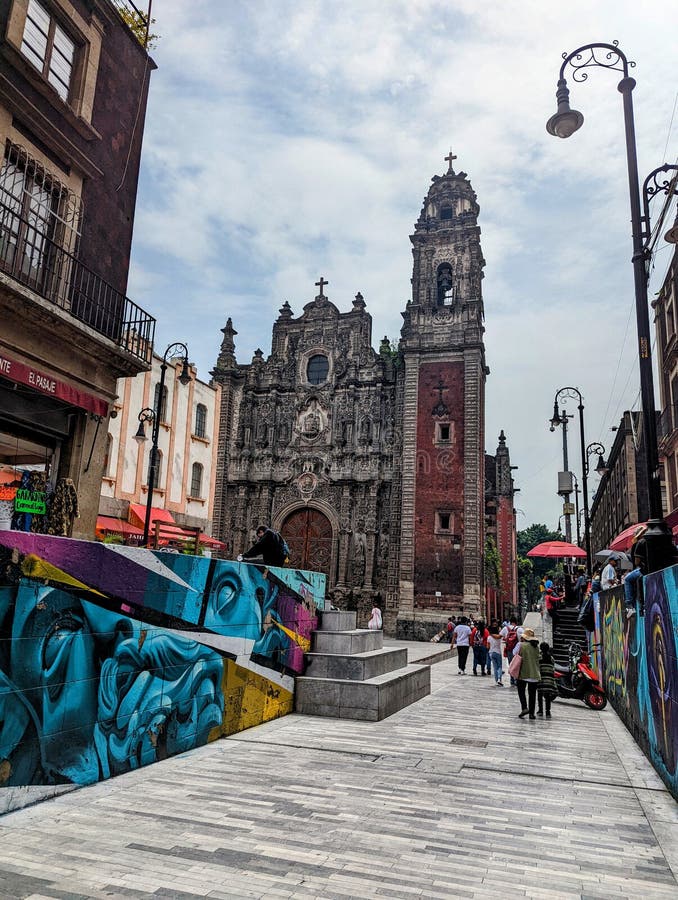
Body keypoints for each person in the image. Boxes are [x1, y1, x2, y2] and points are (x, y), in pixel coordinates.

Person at [513, 627, 541, 719]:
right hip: (534, 673)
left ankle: (524, 707)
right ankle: (532, 713)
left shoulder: (521, 645)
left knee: (521, 691)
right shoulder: (536, 647)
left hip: (523, 672)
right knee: (532, 694)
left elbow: (514, 653)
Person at [624, 526, 648, 619]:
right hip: (653, 569)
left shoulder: (639, 543)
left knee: (627, 579)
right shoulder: (650, 540)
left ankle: (630, 606)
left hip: (643, 570)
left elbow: (636, 562)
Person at [537, 642, 557, 718]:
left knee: (540, 695)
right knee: (547, 697)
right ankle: (548, 712)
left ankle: (540, 711)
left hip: (541, 679)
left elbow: (538, 668)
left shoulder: (539, 657)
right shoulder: (551, 658)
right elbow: (553, 668)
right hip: (549, 680)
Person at [501, 616, 522, 685]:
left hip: (509, 649)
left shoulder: (505, 628)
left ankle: (512, 679)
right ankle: (516, 679)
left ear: (510, 622)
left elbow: (500, 636)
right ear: (516, 622)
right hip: (518, 649)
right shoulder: (519, 629)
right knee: (517, 664)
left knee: (511, 664)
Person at [487, 620, 504, 685]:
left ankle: (496, 680)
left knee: (495, 667)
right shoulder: (499, 638)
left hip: (491, 653)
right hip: (498, 652)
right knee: (499, 666)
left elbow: (488, 647)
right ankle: (500, 679)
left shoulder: (489, 637)